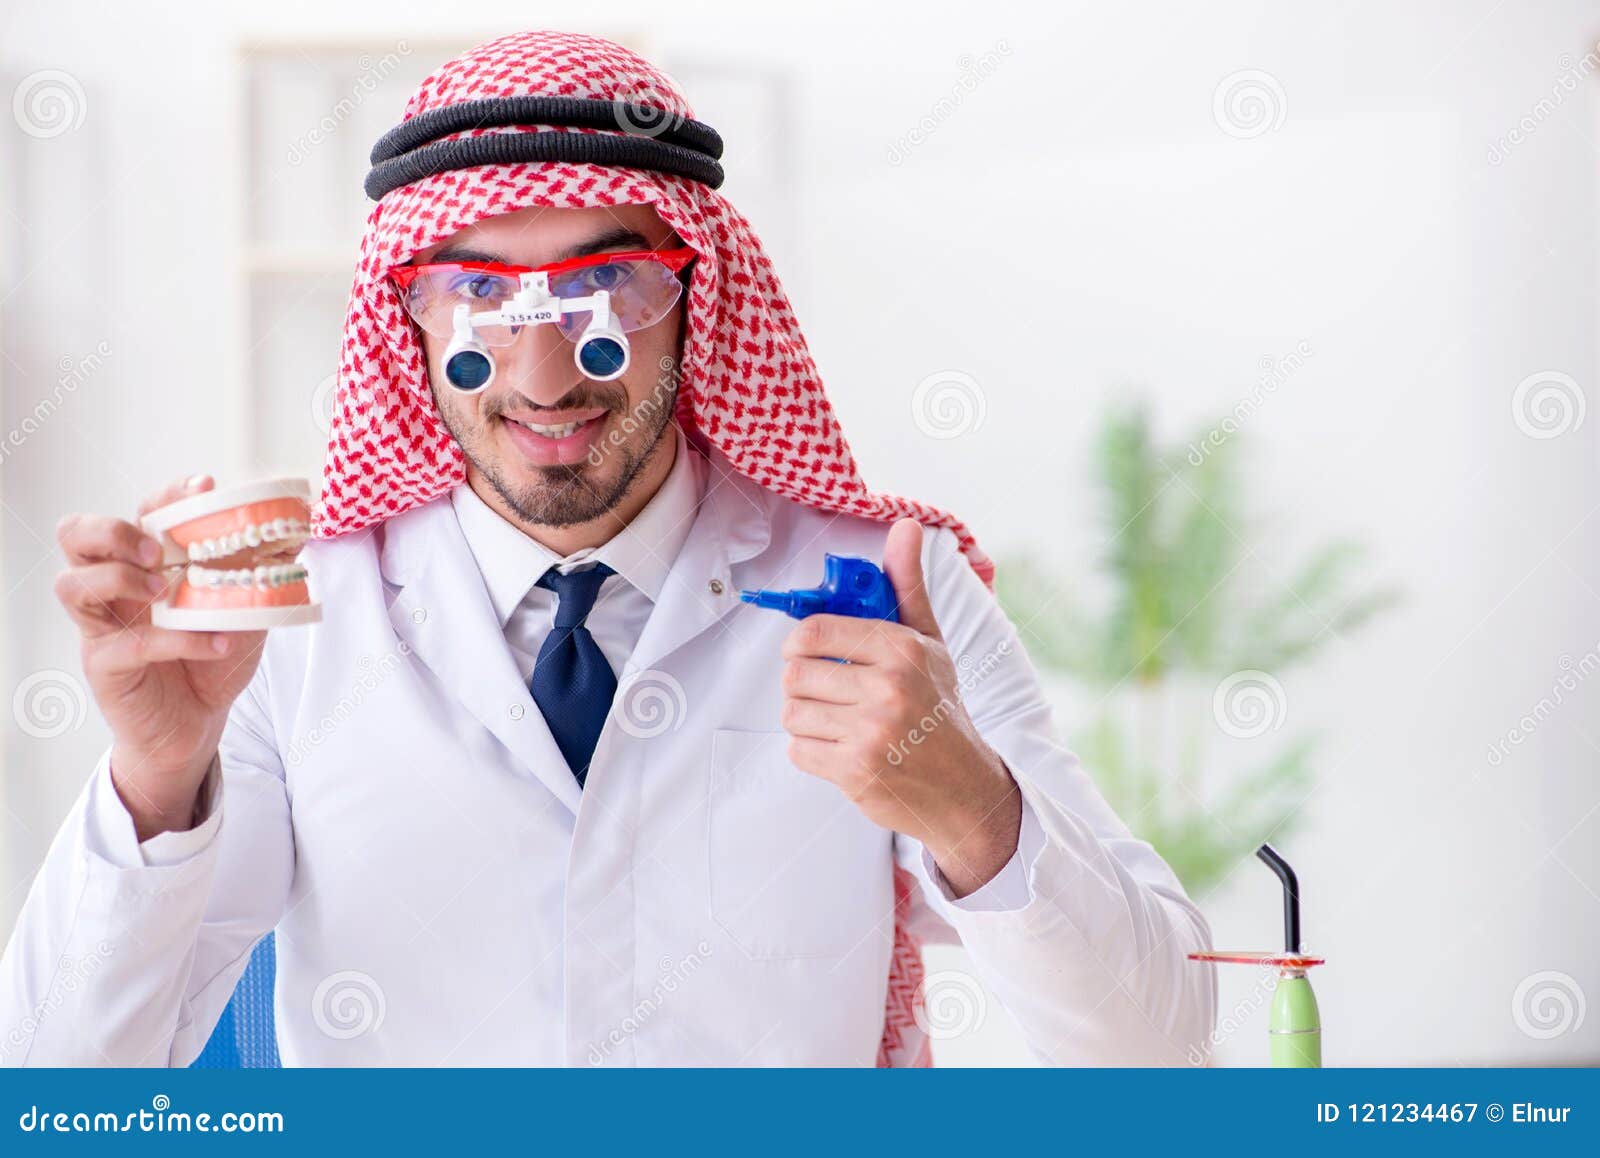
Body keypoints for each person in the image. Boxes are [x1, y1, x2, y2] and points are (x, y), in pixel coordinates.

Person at [0, 30, 1215, 1066]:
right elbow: (60, 1082)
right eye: (480, 297)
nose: (541, 377)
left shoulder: (890, 584)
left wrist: (973, 817)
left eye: (613, 289)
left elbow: (1160, 1051)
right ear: (407, 316)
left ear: (701, 293)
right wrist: (154, 780)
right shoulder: (299, 620)